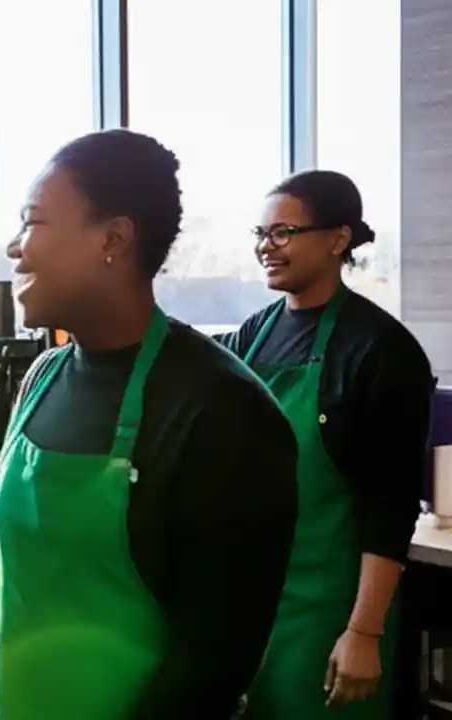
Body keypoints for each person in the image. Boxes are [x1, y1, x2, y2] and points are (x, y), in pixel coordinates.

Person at [0, 129, 299, 719]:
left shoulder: (222, 409)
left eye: (33, 222)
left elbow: (215, 665)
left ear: (114, 239)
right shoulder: (41, 378)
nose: (15, 247)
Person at [220, 170, 433, 718]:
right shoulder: (253, 333)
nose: (267, 247)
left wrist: (362, 632)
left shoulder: (382, 350)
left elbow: (391, 505)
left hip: (330, 613)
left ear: (338, 238)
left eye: (284, 232)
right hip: (254, 604)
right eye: (262, 233)